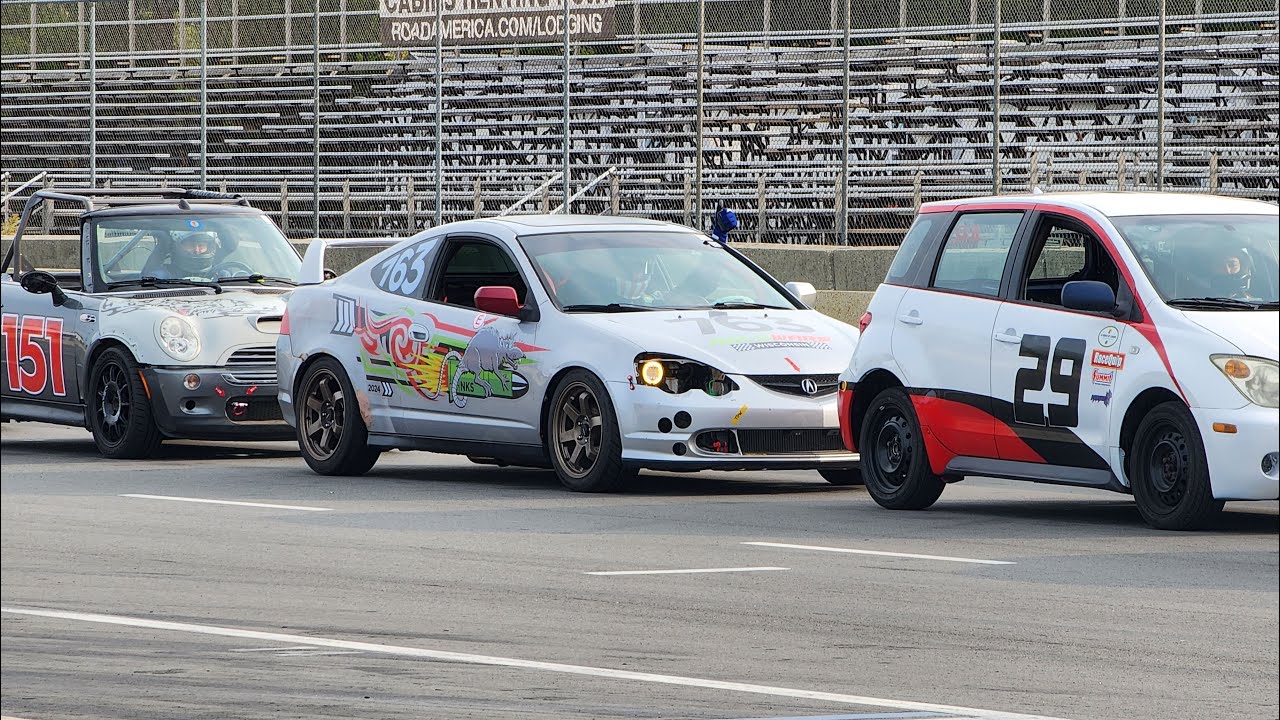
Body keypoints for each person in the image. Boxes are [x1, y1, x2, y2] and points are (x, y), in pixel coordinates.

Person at [145, 232, 220, 279]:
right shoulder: (161, 277)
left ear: (209, 247)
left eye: (201, 245)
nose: (196, 250)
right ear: (178, 247)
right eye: (191, 245)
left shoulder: (220, 275)